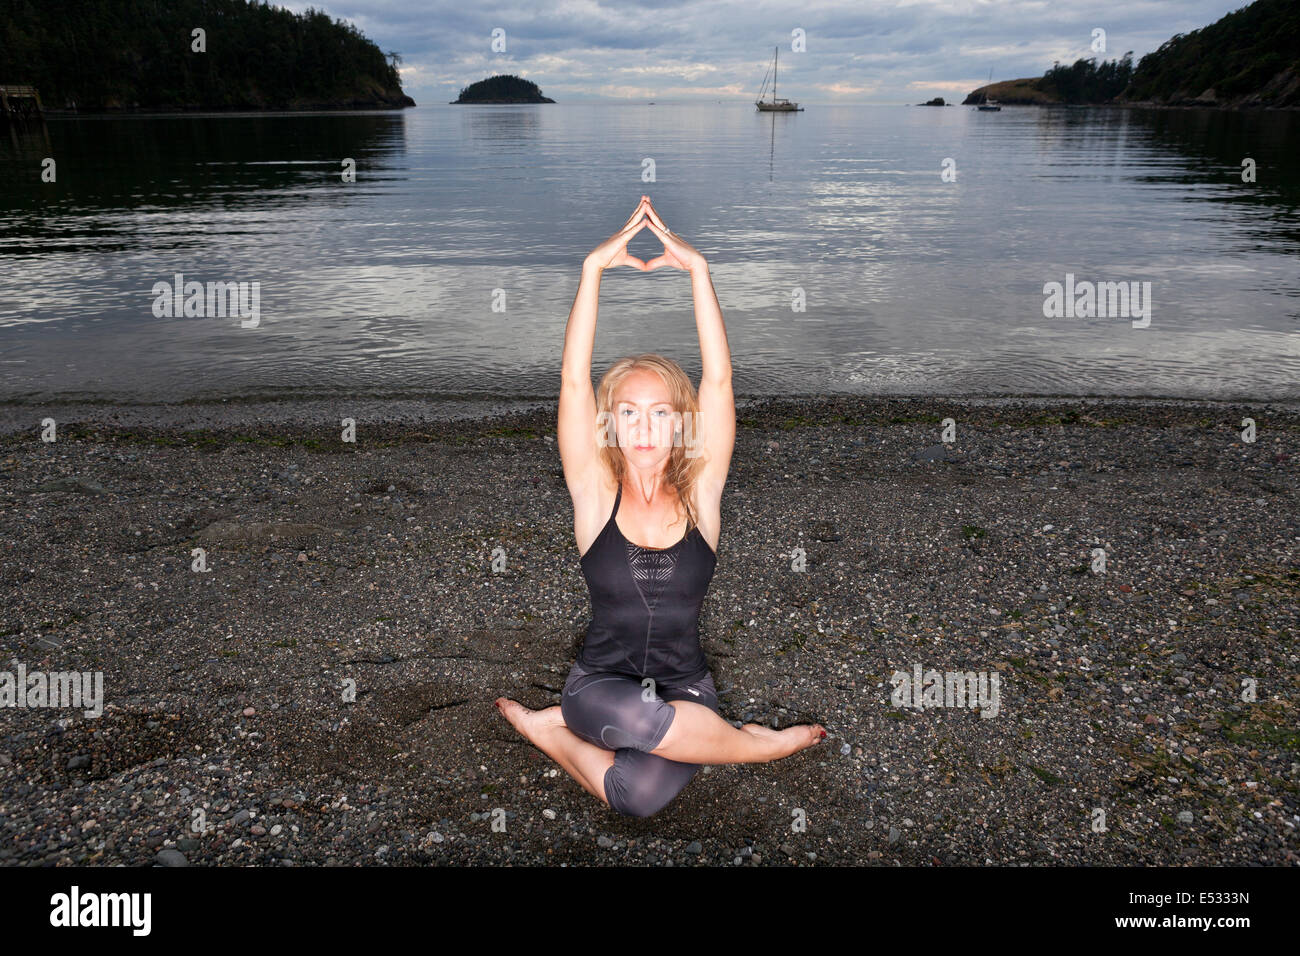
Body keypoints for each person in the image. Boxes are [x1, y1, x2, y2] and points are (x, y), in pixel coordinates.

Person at [496, 196, 825, 817]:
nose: (643, 427)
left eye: (660, 413)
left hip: (686, 686)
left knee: (639, 797)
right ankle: (756, 748)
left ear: (681, 425)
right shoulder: (595, 495)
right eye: (626, 411)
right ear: (609, 425)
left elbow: (720, 382)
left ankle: (547, 733)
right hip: (600, 688)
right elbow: (572, 382)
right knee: (633, 719)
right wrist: (592, 272)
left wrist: (699, 273)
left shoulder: (704, 495)